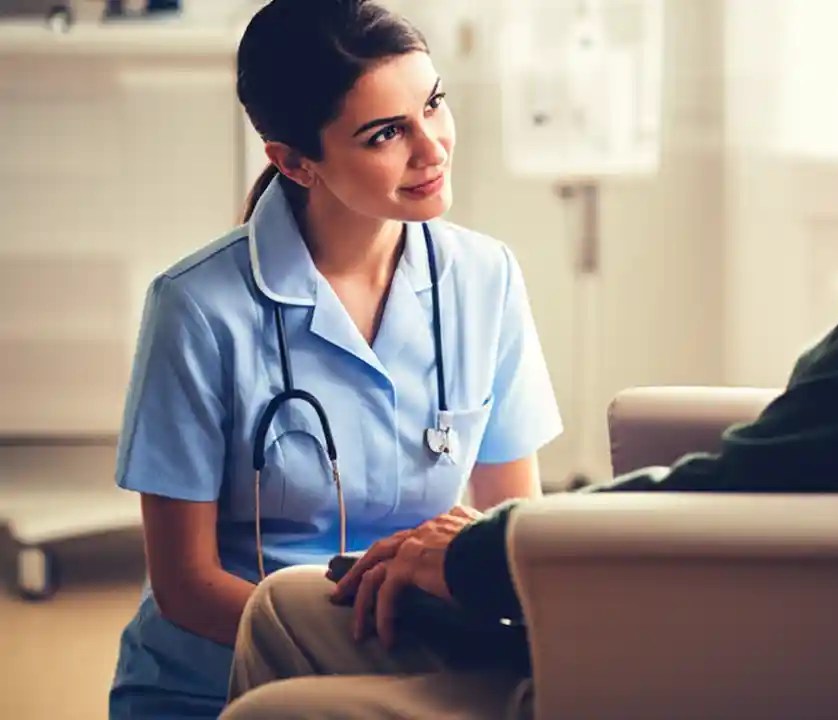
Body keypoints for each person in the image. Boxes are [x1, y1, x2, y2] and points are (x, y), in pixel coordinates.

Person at [221, 0, 838, 717]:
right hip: (795, 608)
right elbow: (813, 463)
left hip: (767, 647)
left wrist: (485, 548)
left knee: (292, 659)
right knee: (288, 603)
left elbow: (768, 482)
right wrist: (490, 549)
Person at [106, 0, 563, 717]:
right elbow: (185, 584)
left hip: (420, 664)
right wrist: (371, 635)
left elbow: (510, 514)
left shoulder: (487, 279)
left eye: (434, 104)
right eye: (387, 133)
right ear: (294, 161)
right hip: (217, 679)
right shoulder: (196, 308)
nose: (433, 147)